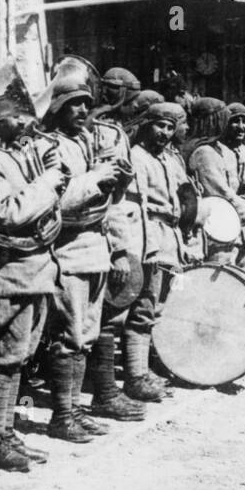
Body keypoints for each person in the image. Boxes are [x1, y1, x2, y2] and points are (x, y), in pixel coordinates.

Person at [0, 88, 67, 471]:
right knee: (4, 358)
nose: (28, 122)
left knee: (19, 357)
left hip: (33, 268)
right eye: (18, 115)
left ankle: (6, 432)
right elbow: (9, 214)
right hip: (8, 272)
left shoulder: (14, 155)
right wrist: (47, 182)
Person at [41, 74, 123, 443]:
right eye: (75, 103)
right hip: (68, 249)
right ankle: (62, 415)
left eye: (87, 103)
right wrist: (95, 178)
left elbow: (107, 202)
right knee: (69, 334)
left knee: (86, 334)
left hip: (95, 248)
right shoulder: (49, 146)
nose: (84, 110)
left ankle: (74, 409)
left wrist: (117, 181)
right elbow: (55, 200)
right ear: (57, 107)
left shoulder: (85, 141)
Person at [85, 68, 145, 425]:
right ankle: (100, 394)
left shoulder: (110, 129)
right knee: (98, 318)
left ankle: (103, 391)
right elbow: (110, 196)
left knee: (107, 316)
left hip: (106, 233)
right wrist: (119, 247)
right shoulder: (103, 131)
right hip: (96, 235)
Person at [122, 102, 192, 401]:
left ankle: (147, 369)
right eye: (159, 125)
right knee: (143, 309)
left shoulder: (167, 159)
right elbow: (131, 206)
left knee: (160, 306)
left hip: (169, 238)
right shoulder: (136, 158)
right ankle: (135, 376)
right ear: (146, 124)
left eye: (169, 127)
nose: (164, 132)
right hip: (149, 237)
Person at [188, 102, 245, 272]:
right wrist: (244, 206)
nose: (241, 127)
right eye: (235, 121)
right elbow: (219, 190)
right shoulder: (209, 152)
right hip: (222, 223)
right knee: (222, 271)